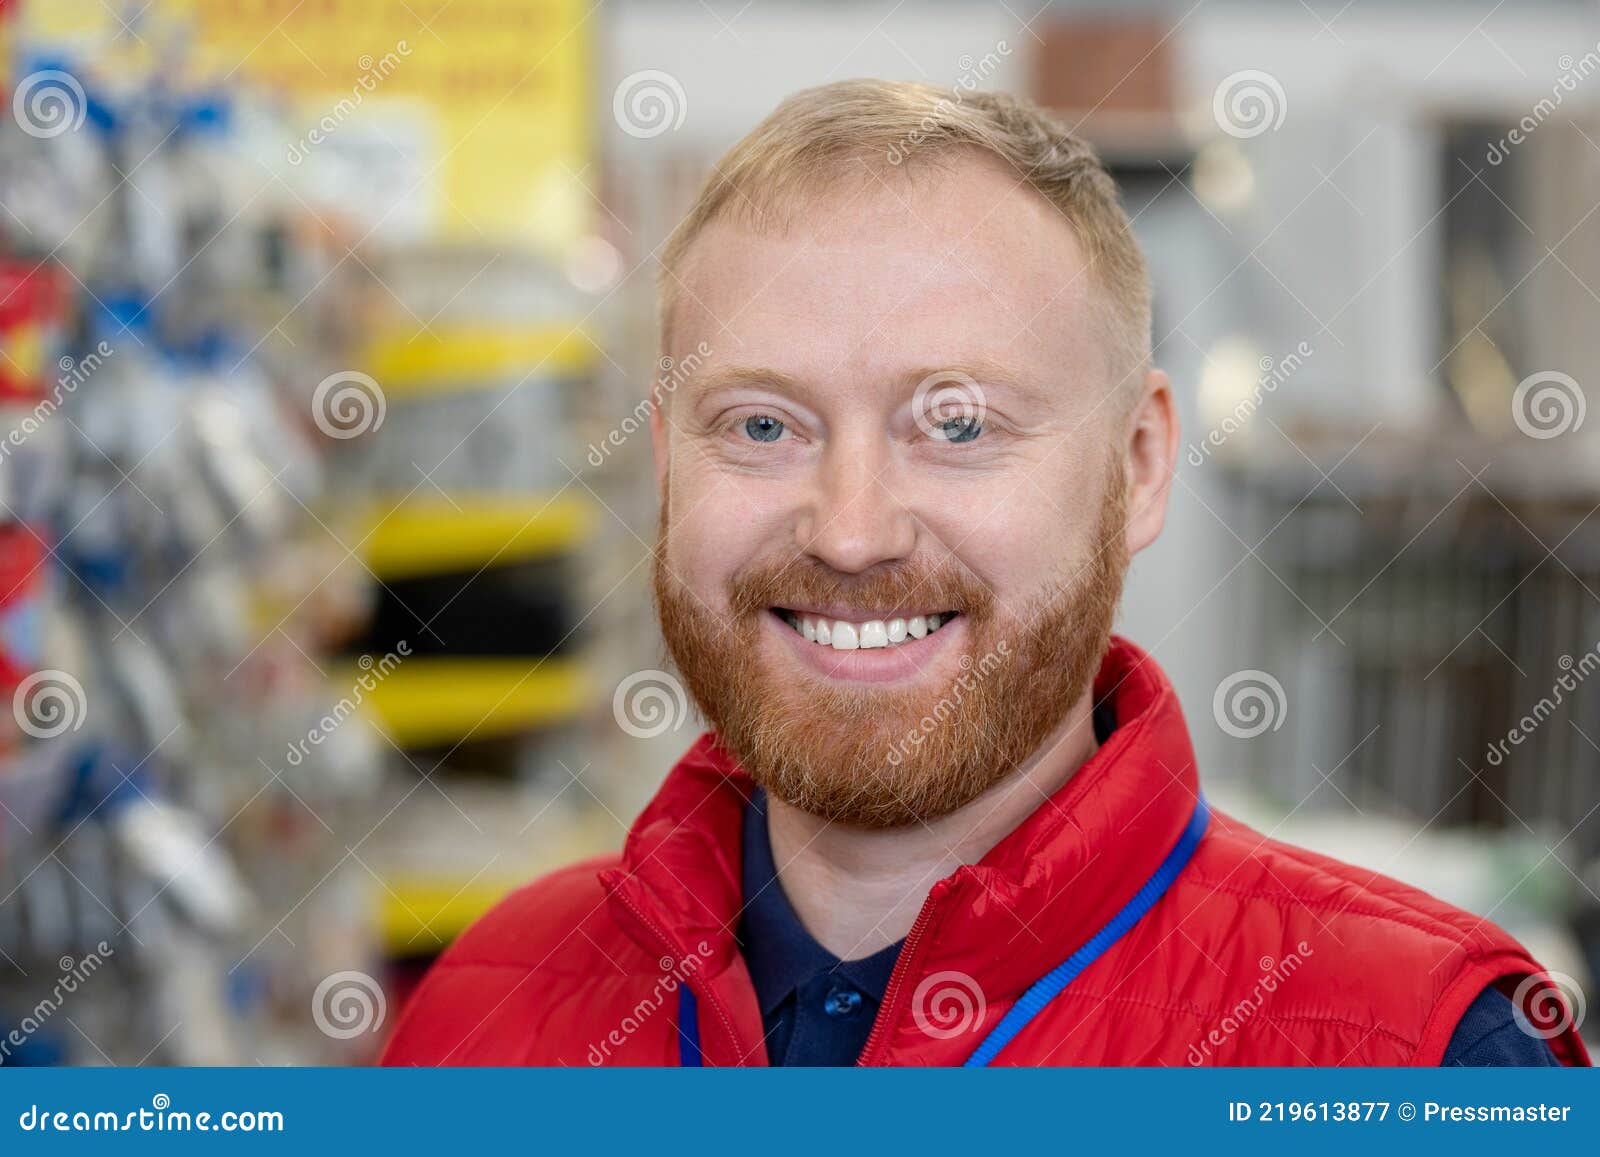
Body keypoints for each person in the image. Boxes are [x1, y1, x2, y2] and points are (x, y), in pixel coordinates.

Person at [382, 79, 1590, 1067]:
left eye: (956, 424)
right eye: (761, 426)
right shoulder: (485, 1011)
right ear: (663, 466)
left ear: (1140, 464)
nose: (850, 532)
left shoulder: (1416, 1048)